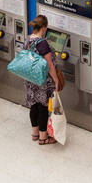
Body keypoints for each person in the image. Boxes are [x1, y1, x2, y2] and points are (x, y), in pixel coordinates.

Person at [21, 14, 63, 145]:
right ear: (44, 28)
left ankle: (35, 133)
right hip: (42, 81)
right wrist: (56, 80)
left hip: (30, 78)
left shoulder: (27, 39)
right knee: (43, 107)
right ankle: (43, 137)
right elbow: (49, 65)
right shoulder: (42, 43)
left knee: (33, 105)